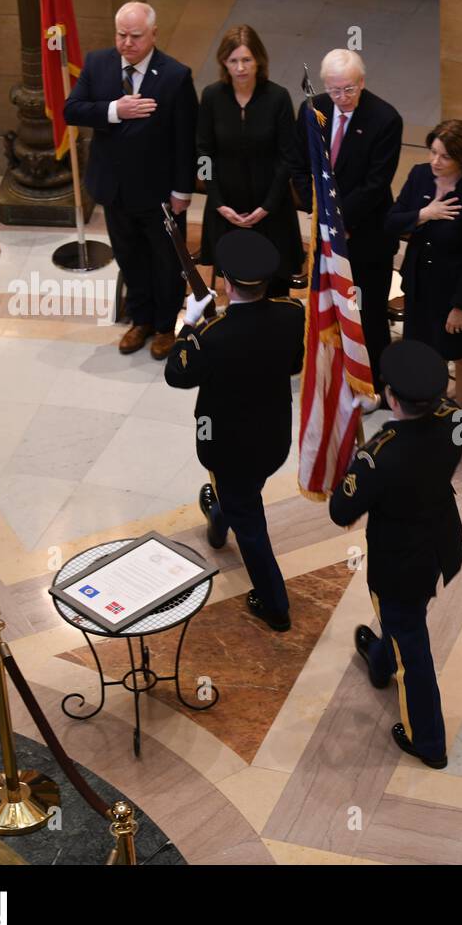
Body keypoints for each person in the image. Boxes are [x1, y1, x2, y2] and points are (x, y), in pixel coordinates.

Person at [329, 341, 462, 769]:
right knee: (404, 621)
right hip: (438, 542)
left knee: (413, 645)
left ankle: (429, 741)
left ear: (390, 397)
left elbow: (340, 511)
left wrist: (351, 460)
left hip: (398, 561)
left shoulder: (378, 456)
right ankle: (380, 659)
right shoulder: (455, 421)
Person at [164, 231, 296, 632]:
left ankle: (275, 605)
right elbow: (292, 363)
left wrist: (189, 324)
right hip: (274, 437)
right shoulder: (293, 314)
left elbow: (177, 374)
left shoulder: (210, 337)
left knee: (250, 523)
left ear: (224, 281)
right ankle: (219, 518)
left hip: (228, 445)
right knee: (239, 493)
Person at [64, 1, 197, 360]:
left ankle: (166, 327)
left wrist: (183, 189)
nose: (127, 43)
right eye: (121, 34)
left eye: (135, 36)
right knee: (129, 257)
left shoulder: (175, 76)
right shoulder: (97, 63)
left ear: (153, 34)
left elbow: (187, 139)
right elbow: (71, 109)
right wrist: (113, 110)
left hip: (160, 196)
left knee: (166, 262)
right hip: (114, 189)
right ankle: (140, 320)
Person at [291, 49, 402, 395]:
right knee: (329, 305)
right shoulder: (314, 109)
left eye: (349, 89)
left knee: (365, 313)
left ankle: (373, 382)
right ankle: (334, 369)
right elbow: (298, 164)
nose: (342, 98)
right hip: (326, 231)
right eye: (335, 90)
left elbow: (375, 183)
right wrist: (319, 212)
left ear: (362, 82)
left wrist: (337, 220)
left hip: (366, 237)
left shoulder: (385, 119)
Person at [385, 119, 462, 409]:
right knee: (421, 350)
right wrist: (425, 213)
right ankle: (426, 405)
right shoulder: (419, 175)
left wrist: (459, 307)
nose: (435, 160)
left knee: (460, 355)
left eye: (445, 156)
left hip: (454, 294)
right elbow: (392, 221)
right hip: (420, 285)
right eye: (432, 151)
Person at [196, 25, 304, 299]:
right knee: (235, 281)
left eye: (247, 60)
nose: (241, 68)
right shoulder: (211, 97)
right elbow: (203, 152)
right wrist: (218, 202)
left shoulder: (277, 98)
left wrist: (267, 206)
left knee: (276, 284)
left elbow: (288, 156)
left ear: (259, 60)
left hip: (271, 209)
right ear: (224, 62)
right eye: (233, 61)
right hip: (226, 206)